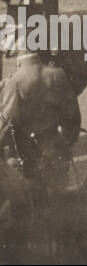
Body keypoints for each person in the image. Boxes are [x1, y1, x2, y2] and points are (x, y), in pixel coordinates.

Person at [0, 50, 81, 188]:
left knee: (32, 201)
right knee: (59, 198)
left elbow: (6, 121)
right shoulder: (57, 74)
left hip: (27, 156)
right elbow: (73, 116)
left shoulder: (14, 81)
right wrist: (65, 142)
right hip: (56, 151)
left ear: (18, 61)